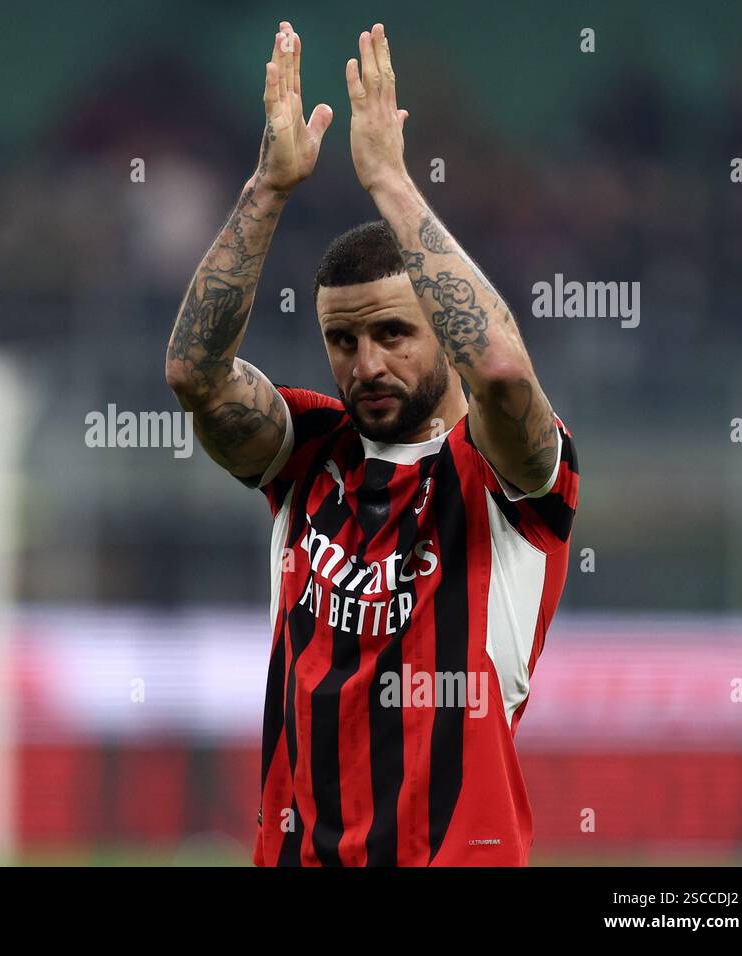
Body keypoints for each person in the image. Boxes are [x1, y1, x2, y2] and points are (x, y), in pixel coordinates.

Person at [165, 20, 580, 866]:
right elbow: (194, 374)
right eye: (344, 342)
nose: (368, 364)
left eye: (394, 333)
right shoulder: (309, 454)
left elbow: (501, 371)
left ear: (443, 333)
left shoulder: (511, 481)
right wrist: (269, 188)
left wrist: (390, 180)